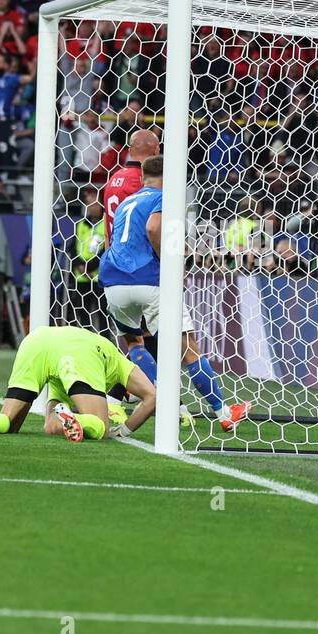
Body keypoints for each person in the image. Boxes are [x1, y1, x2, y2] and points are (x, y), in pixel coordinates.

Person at [98, 155, 251, 430]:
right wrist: (168, 262)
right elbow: (153, 228)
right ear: (168, 177)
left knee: (135, 345)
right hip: (148, 279)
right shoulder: (162, 198)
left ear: (143, 177)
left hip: (113, 281)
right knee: (189, 350)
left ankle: (161, 402)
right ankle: (224, 413)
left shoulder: (125, 203)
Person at [0, 325, 158, 443]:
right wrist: (122, 430)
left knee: (11, 424)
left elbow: (51, 424)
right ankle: (83, 421)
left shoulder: (100, 362)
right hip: (78, 351)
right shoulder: (121, 363)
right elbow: (152, 397)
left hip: (37, 341)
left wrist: (63, 413)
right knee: (101, 427)